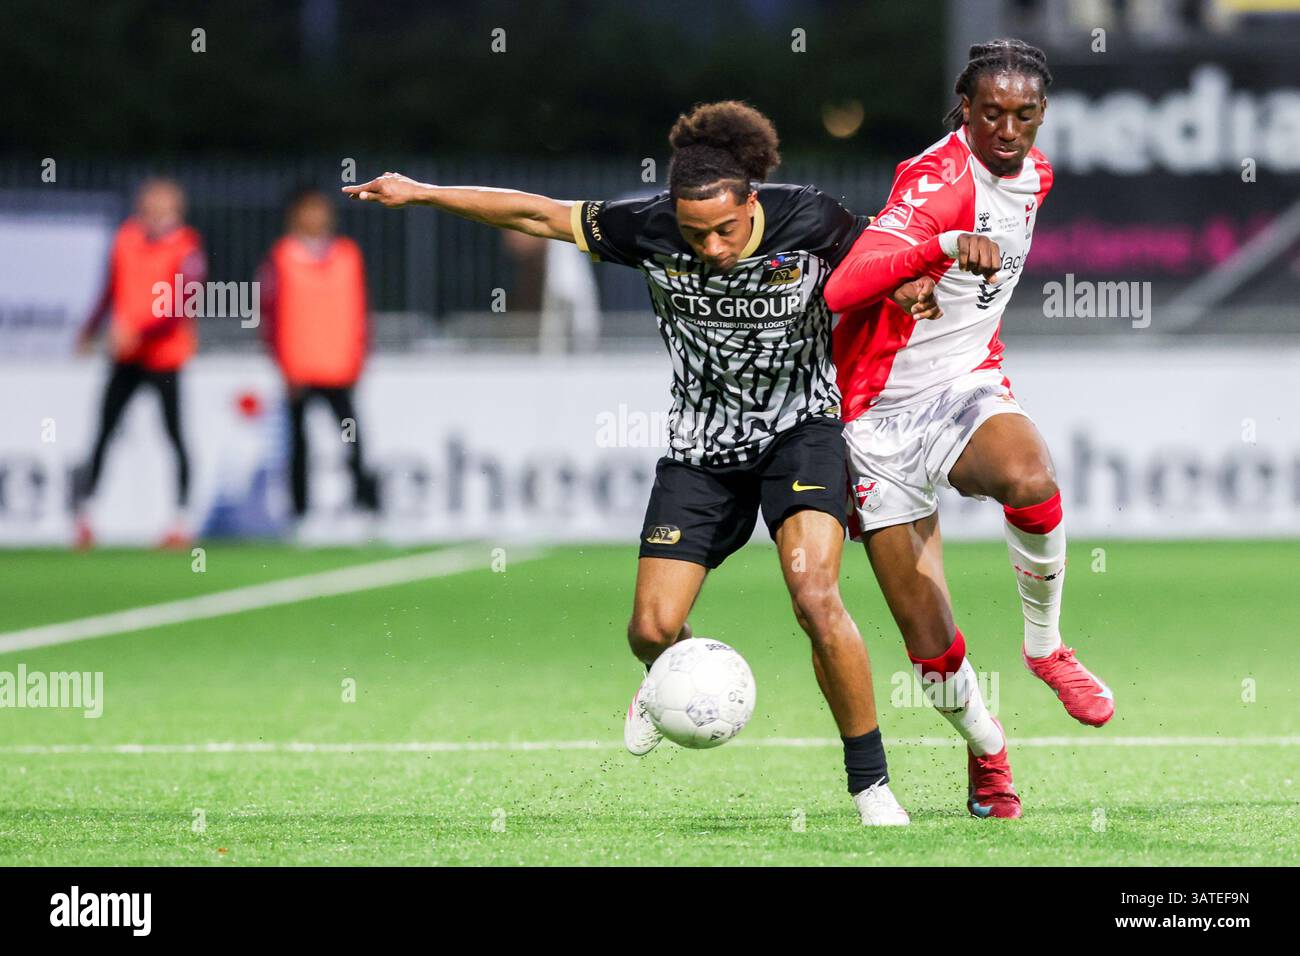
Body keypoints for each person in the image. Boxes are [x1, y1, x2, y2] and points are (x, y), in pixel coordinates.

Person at [345, 101, 937, 825]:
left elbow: (885, 261)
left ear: (752, 198)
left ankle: (871, 786)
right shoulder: (648, 228)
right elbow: (535, 214)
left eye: (724, 229)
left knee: (814, 595)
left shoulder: (811, 218)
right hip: (700, 449)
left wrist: (910, 284)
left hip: (801, 432)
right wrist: (428, 193)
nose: (711, 246)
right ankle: (672, 680)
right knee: (651, 632)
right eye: (696, 234)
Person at [824, 39, 1114, 820]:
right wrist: (939, 248)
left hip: (964, 386)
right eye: (991, 113)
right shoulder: (938, 181)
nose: (1008, 130)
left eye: (1024, 114)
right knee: (928, 638)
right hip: (875, 416)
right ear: (966, 109)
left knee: (1031, 478)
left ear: (1043, 114)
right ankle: (987, 749)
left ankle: (1047, 647)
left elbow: (946, 288)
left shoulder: (1038, 176)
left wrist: (924, 285)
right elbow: (844, 287)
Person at [74, 178, 203, 549]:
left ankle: (180, 520)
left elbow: (182, 305)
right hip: (125, 356)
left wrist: (138, 333)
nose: (155, 207)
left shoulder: (187, 246)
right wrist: (90, 328)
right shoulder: (126, 238)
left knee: (174, 435)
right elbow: (110, 288)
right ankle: (87, 516)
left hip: (164, 358)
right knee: (104, 431)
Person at [257, 188, 380, 527]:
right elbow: (268, 316)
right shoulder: (281, 256)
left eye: (321, 210)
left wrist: (360, 357)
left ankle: (366, 509)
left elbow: (361, 311)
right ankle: (300, 516)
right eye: (309, 210)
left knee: (354, 439)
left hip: (340, 368)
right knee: (298, 444)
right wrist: (283, 364)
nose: (316, 217)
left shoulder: (347, 254)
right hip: (299, 370)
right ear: (295, 215)